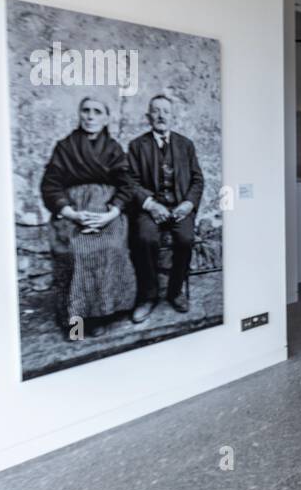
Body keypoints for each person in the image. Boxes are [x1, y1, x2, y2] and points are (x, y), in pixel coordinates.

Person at [39, 96, 138, 338]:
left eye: (97, 112)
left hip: (106, 212)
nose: (90, 116)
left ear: (105, 118)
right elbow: (50, 186)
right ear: (79, 114)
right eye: (86, 111)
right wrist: (72, 213)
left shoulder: (113, 149)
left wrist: (111, 213)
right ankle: (76, 323)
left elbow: (126, 186)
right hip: (74, 212)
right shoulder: (65, 147)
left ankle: (102, 315)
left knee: (111, 248)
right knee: (77, 254)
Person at [127, 95, 204, 321]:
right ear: (148, 116)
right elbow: (130, 181)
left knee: (185, 239)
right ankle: (148, 296)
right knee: (145, 238)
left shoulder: (185, 145)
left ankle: (175, 291)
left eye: (166, 111)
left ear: (173, 116)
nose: (161, 116)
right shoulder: (136, 146)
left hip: (180, 207)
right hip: (150, 209)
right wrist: (150, 205)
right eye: (156, 111)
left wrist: (188, 204)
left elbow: (198, 180)